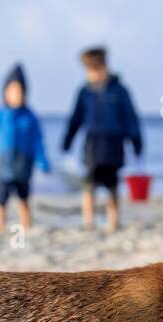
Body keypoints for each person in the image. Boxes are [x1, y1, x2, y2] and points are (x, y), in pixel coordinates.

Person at [61, 47, 143, 232]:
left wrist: (136, 141)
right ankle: (88, 221)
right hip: (92, 144)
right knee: (89, 185)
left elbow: (130, 117)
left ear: (105, 67)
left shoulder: (120, 91)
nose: (94, 75)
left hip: (114, 143)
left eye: (97, 70)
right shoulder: (84, 92)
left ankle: (113, 221)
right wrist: (67, 140)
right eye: (90, 71)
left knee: (112, 185)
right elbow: (76, 118)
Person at [0, 64, 50, 236]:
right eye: (12, 91)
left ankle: (25, 227)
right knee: (0, 199)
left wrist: (43, 161)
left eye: (20, 91)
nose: (16, 95)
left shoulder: (30, 116)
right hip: (1, 165)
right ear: (5, 92)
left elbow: (37, 141)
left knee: (23, 197)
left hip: (23, 165)